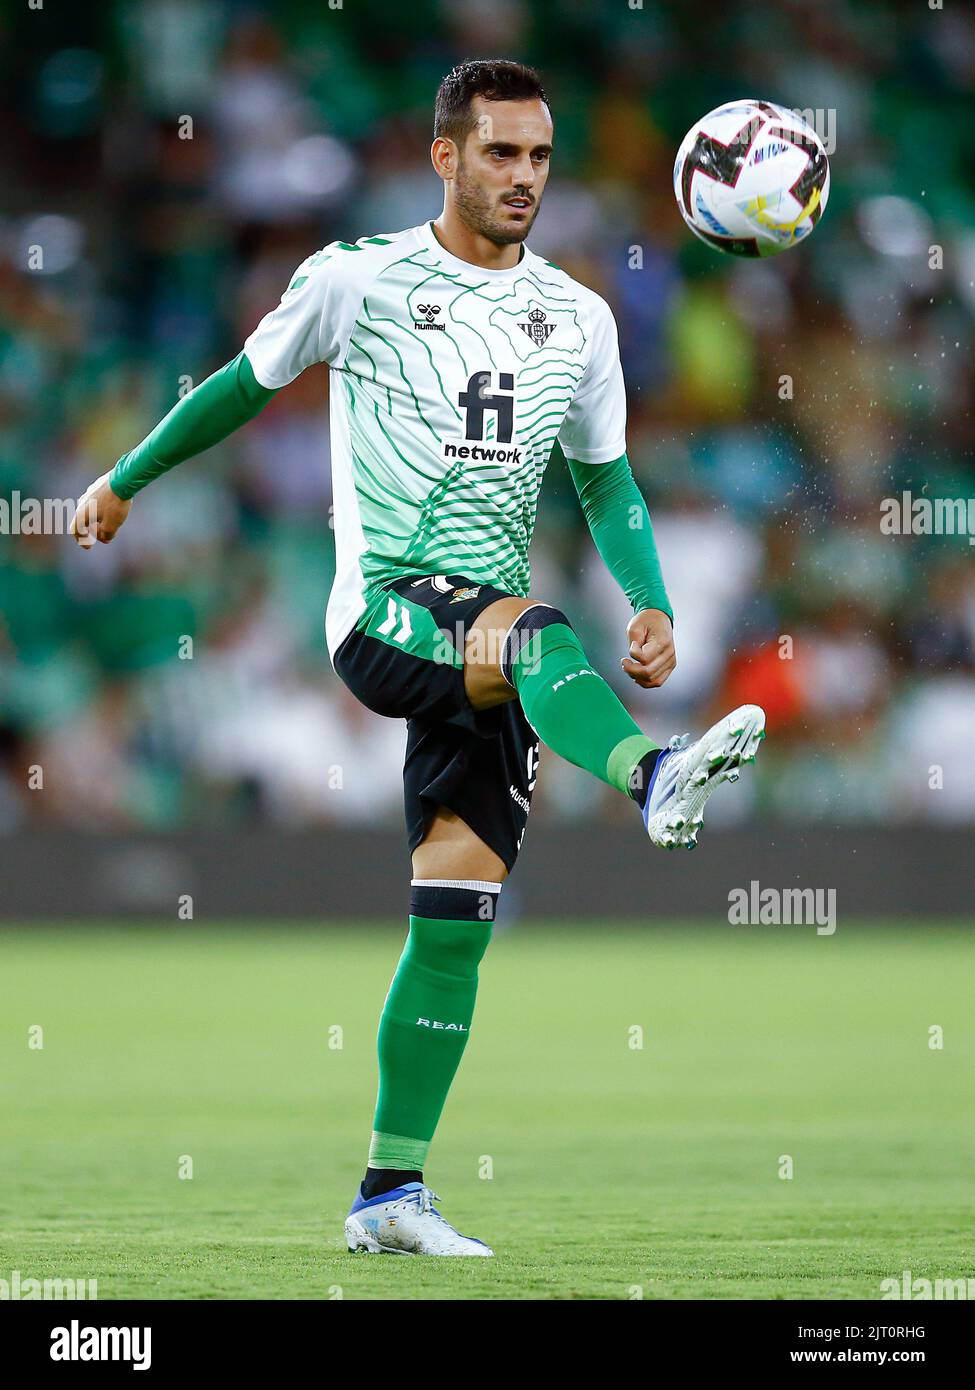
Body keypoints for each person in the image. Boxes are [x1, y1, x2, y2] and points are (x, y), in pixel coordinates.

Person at [71, 59, 765, 1258]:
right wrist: (123, 479)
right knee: (537, 631)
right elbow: (245, 384)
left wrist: (649, 601)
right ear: (445, 157)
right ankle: (652, 779)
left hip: (482, 646)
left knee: (455, 914)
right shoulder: (359, 279)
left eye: (541, 157)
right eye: (501, 154)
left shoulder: (577, 317)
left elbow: (604, 478)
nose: (524, 178)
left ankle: (389, 1194)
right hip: (385, 612)